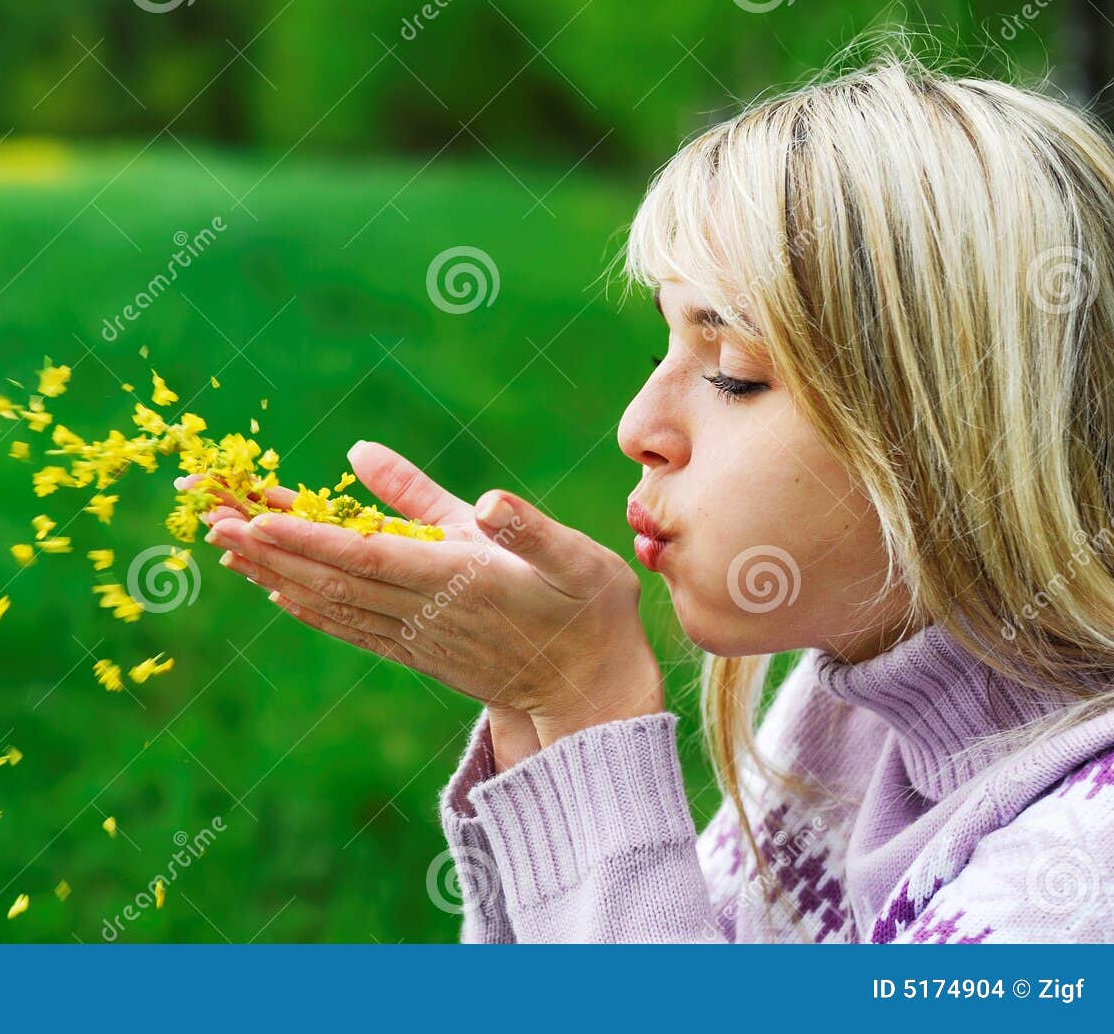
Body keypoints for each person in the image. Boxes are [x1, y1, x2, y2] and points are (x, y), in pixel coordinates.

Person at [187, 50, 1114, 942]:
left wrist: (585, 702)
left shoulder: (1080, 880)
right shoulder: (854, 705)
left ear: (965, 435)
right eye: (667, 345)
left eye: (736, 372)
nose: (636, 426)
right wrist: (532, 711)